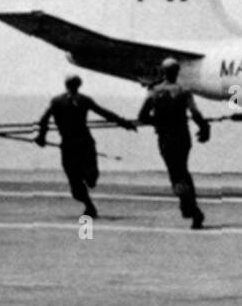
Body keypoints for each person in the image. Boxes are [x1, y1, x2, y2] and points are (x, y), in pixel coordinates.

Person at [35, 74, 137, 218]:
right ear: (79, 85)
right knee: (87, 175)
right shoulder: (84, 100)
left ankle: (89, 202)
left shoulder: (56, 101)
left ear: (66, 85)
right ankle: (90, 201)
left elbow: (43, 120)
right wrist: (124, 123)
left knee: (75, 181)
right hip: (84, 143)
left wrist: (41, 137)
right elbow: (104, 113)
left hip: (69, 145)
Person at [138, 58, 211, 229]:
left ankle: (190, 207)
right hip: (182, 137)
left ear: (163, 72)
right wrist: (205, 128)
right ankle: (191, 208)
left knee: (176, 173)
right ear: (177, 72)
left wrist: (157, 121)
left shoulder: (154, 92)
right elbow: (195, 113)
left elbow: (142, 116)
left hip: (165, 137)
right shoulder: (184, 91)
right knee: (183, 170)